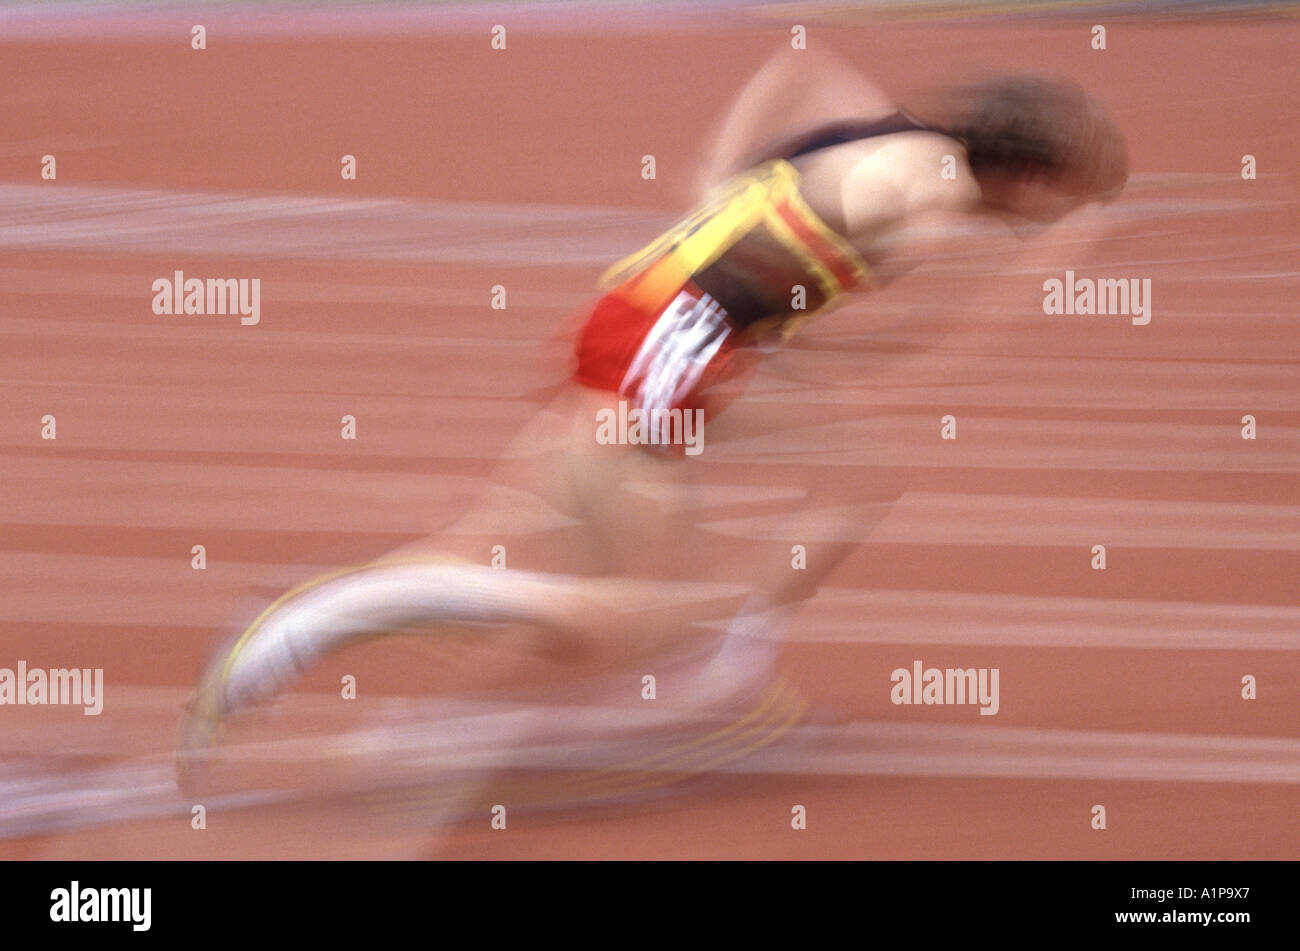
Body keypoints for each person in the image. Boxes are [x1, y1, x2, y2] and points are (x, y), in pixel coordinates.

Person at [178, 50, 1128, 775]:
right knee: (626, 621)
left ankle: (713, 662)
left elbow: (799, 66)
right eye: (1057, 192)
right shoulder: (930, 204)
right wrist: (1041, 270)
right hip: (665, 353)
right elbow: (901, 352)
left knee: (848, 474)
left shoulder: (888, 132)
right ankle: (314, 622)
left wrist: (720, 184)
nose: (1052, 210)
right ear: (1021, 171)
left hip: (658, 326)